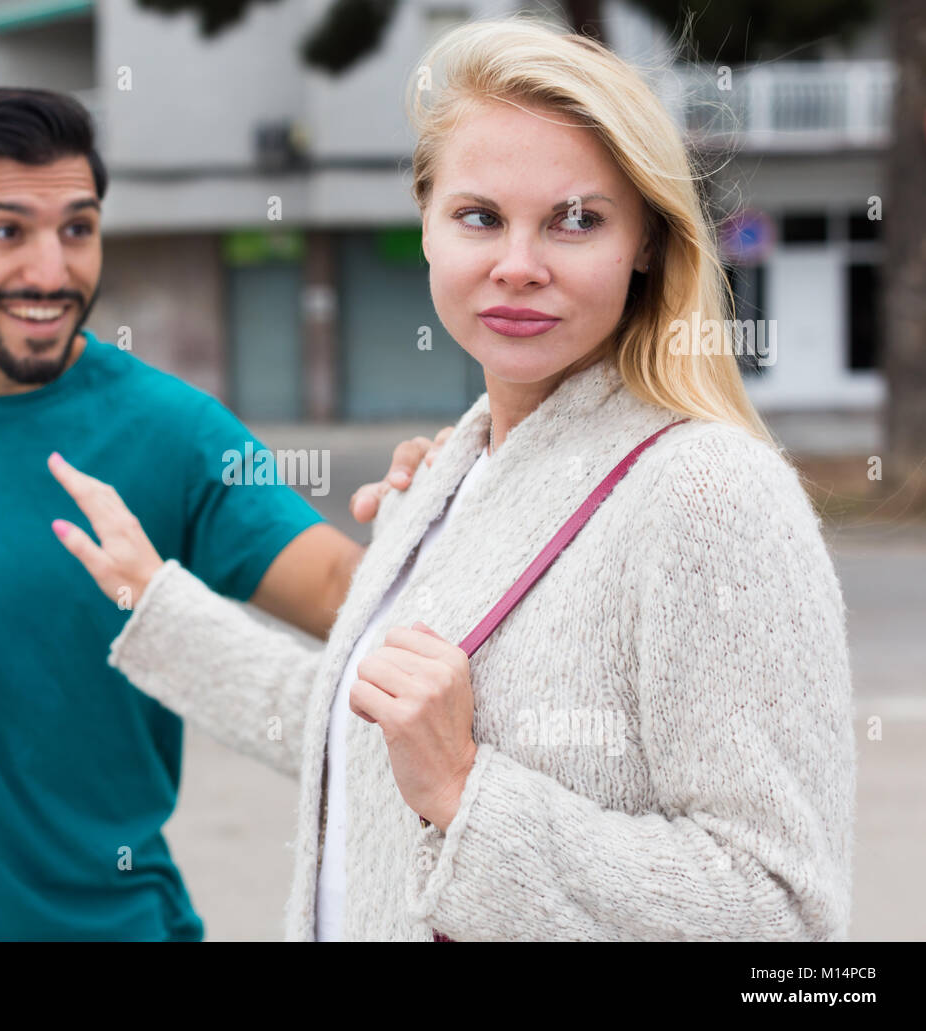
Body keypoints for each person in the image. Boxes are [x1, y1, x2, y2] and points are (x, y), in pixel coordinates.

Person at [50, 18, 857, 941]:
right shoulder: (448, 474)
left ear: (644, 242)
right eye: (480, 217)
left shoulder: (709, 492)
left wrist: (469, 793)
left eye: (577, 219)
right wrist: (153, 600)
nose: (519, 265)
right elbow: (355, 740)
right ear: (427, 224)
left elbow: (783, 916)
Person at [0, 87, 444, 942]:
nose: (52, 272)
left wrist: (432, 520)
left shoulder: (172, 430)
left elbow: (339, 590)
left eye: (78, 228)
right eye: (6, 231)